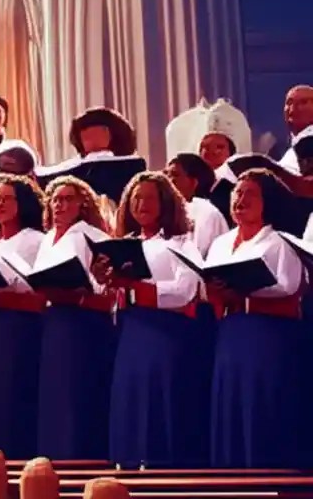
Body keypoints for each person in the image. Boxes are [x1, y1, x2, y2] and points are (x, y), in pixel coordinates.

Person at [93, 172, 207, 468]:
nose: (142, 204)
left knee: (159, 400)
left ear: (165, 203)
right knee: (130, 399)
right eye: (136, 198)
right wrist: (105, 281)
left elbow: (185, 290)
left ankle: (163, 470)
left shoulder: (181, 242)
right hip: (130, 331)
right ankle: (128, 466)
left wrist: (135, 288)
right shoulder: (122, 244)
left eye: (150, 198)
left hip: (165, 332)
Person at [206, 169, 305, 468]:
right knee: (232, 398)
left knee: (259, 400)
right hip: (230, 332)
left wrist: (244, 290)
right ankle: (231, 471)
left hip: (266, 333)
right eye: (237, 192)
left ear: (267, 201)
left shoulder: (280, 241)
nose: (241, 199)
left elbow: (288, 284)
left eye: (250, 193)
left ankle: (265, 471)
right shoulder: (221, 243)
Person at [34, 176, 115, 460]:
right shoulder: (47, 239)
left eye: (68, 199)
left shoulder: (93, 236)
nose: (60, 204)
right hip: (54, 319)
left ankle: (78, 459)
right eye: (56, 199)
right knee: (54, 393)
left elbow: (106, 286)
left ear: (82, 204)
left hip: (83, 322)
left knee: (76, 393)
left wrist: (88, 285)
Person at [0, 174, 48, 458]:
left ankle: (17, 458)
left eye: (7, 198)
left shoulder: (35, 239)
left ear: (23, 203)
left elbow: (40, 288)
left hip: (19, 324)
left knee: (14, 390)